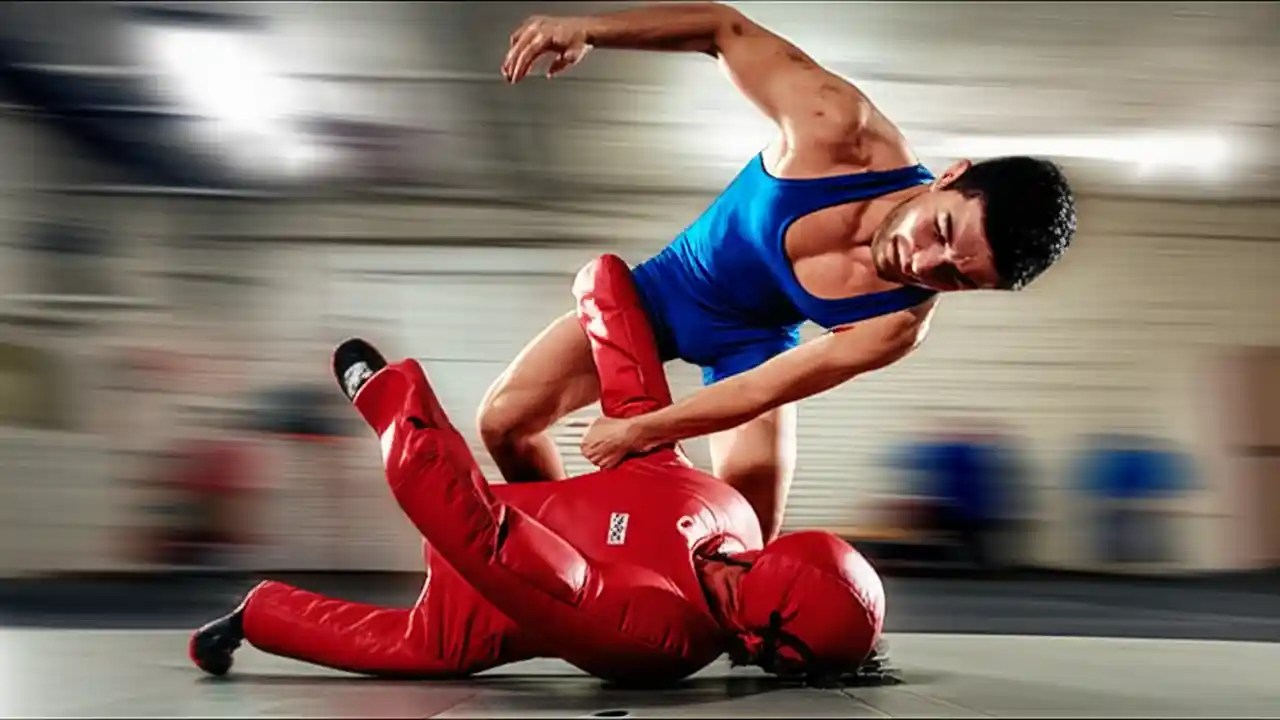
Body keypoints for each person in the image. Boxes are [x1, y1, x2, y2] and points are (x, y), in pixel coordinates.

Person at [483, 2, 1077, 541]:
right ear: (950, 175)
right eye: (941, 232)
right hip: (663, 292)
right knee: (504, 423)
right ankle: (547, 556)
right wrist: (589, 29)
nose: (922, 265)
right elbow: (723, 29)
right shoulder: (841, 128)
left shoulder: (899, 324)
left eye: (959, 279)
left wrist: (643, 431)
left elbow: (765, 387)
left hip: (754, 352)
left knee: (744, 545)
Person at [188, 255, 888, 687]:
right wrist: (609, 298)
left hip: (483, 587)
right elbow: (641, 422)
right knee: (411, 643)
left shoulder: (659, 633)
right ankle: (252, 615)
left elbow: (502, 551)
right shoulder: (724, 517)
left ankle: (255, 613)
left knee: (417, 649)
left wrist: (392, 407)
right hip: (505, 512)